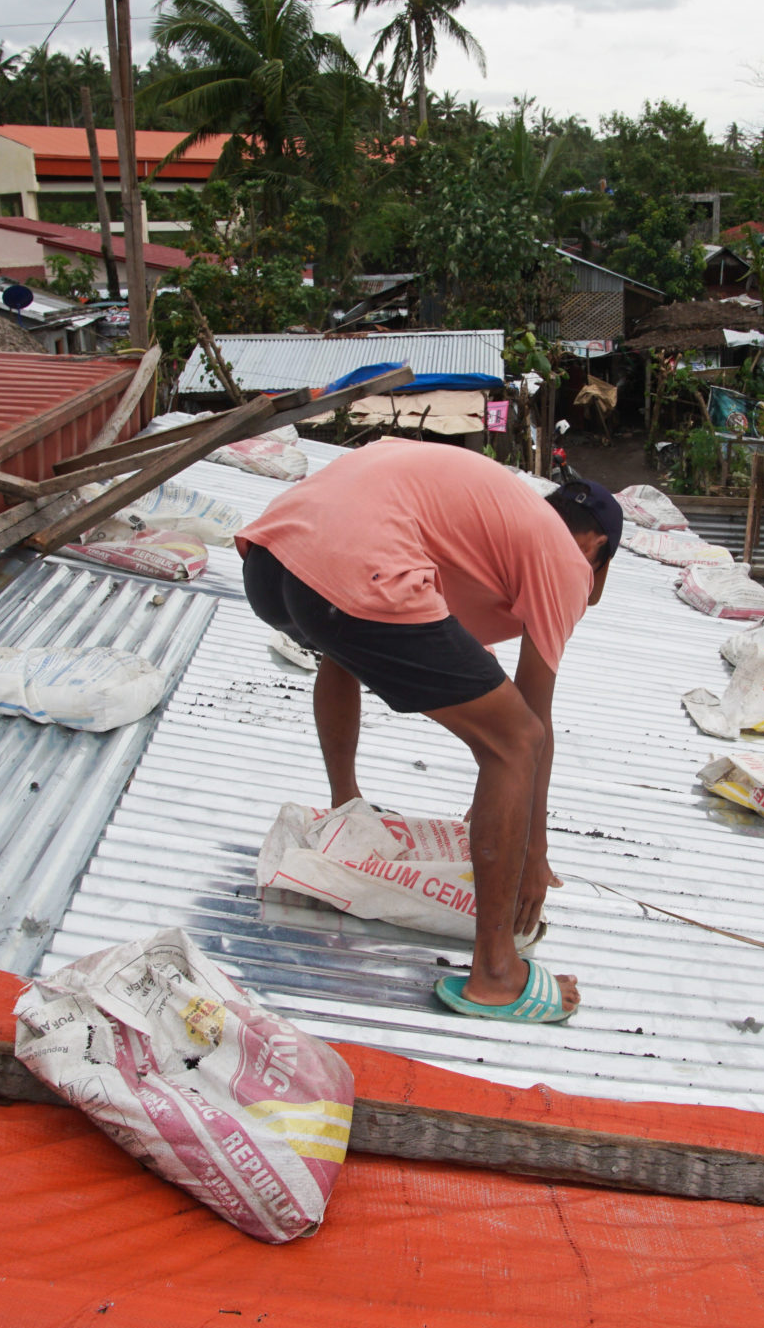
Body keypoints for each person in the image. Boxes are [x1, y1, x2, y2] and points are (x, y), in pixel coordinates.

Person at [236, 438, 623, 1027]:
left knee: (343, 647)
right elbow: (530, 725)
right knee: (514, 741)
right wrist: (533, 857)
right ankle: (496, 972)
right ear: (599, 553)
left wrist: (495, 807)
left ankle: (347, 810)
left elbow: (449, 665)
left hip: (272, 558)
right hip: (353, 565)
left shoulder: (493, 524)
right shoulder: (567, 562)